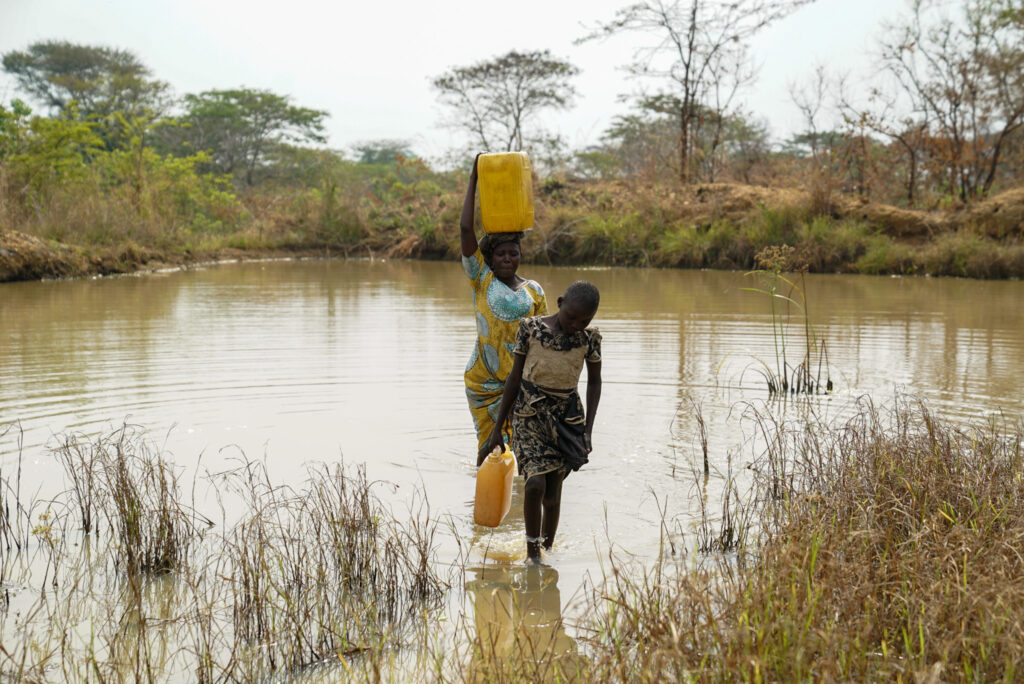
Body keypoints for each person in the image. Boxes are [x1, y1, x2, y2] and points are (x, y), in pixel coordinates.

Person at [480, 281, 602, 563]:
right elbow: (514, 377)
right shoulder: (531, 329)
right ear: (560, 303)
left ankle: (547, 548)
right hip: (528, 415)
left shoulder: (589, 339)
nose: (576, 324)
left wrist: (588, 431)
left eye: (585, 320)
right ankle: (532, 552)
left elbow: (594, 383)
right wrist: (498, 428)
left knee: (553, 490)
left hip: (566, 420)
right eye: (572, 317)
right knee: (535, 484)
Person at [461, 154, 548, 458]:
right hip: (484, 382)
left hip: (520, 383)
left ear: (521, 255)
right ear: (491, 258)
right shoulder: (482, 278)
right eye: (501, 254)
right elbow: (465, 231)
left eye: (513, 253)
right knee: (488, 445)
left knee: (518, 450)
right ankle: (482, 500)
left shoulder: (534, 292)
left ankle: (515, 500)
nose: (508, 259)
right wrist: (474, 178)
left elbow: (542, 343)